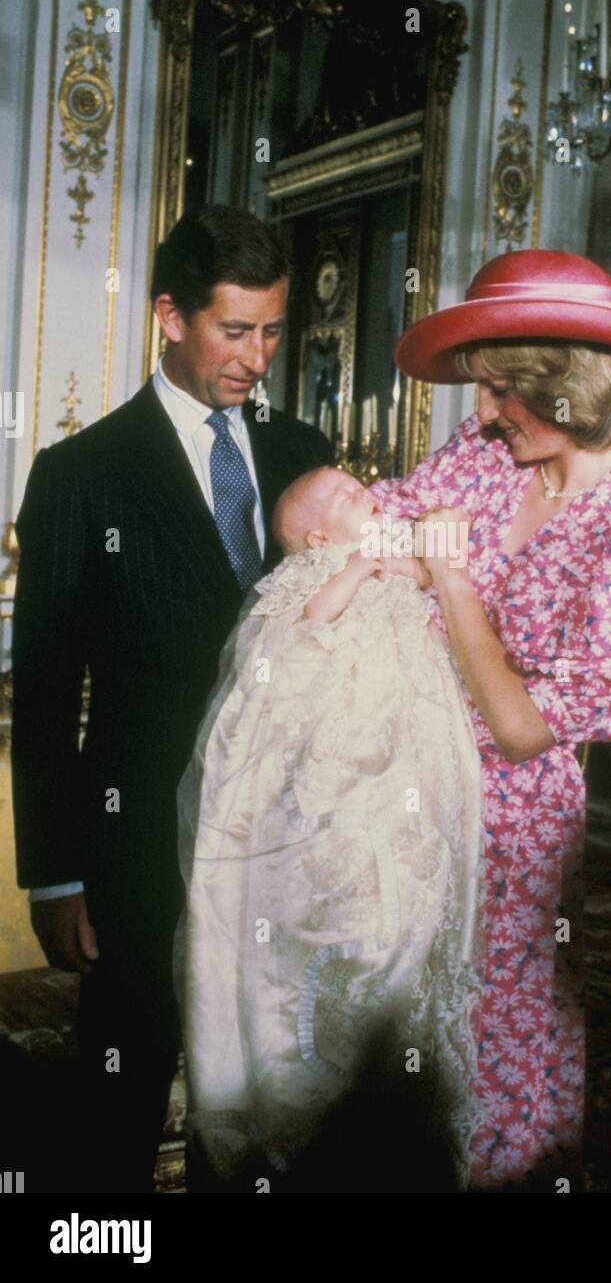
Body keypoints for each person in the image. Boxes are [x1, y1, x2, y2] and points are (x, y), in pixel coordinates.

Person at [368, 248, 611, 1191]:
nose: (478, 415)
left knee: (495, 1051)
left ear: (570, 385)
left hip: (510, 831)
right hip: (400, 796)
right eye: (481, 391)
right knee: (387, 1038)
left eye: (501, 391)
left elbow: (522, 730)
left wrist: (447, 580)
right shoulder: (484, 460)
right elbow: (371, 523)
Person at [11, 203, 333, 1193]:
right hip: (138, 836)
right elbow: (47, 690)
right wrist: (55, 875)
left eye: (273, 330)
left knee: (273, 1081)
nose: (257, 356)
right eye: (235, 330)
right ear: (168, 316)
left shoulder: (302, 452)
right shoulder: (81, 476)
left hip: (286, 836)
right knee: (123, 1077)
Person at [175, 466, 485, 1191]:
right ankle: (312, 1108)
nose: (365, 493)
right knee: (338, 886)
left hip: (405, 738)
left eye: (361, 487)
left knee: (413, 892)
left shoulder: (388, 541)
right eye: (345, 497)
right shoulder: (319, 568)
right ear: (316, 537)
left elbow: (434, 572)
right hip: (336, 748)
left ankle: (398, 1101)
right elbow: (303, 628)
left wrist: (429, 551)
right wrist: (358, 566)